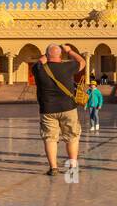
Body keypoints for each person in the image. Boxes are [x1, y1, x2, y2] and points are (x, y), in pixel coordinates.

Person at [35, 43, 86, 176]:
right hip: (68, 108)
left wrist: (44, 57)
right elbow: (82, 61)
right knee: (72, 137)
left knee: (50, 139)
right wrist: (70, 51)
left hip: (48, 109)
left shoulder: (38, 69)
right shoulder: (68, 66)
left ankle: (53, 168)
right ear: (60, 55)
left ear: (46, 55)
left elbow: (39, 62)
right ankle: (72, 166)